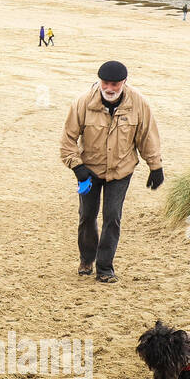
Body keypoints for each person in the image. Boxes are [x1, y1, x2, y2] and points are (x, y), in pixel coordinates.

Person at [60, 60, 163, 283]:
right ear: (99, 81)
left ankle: (105, 267)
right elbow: (68, 139)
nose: (109, 88)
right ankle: (87, 258)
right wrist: (77, 167)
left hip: (121, 170)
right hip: (89, 171)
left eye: (115, 84)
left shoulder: (139, 104)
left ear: (124, 82)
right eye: (105, 83)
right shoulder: (82, 103)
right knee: (87, 216)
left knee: (112, 217)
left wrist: (155, 167)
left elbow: (147, 136)